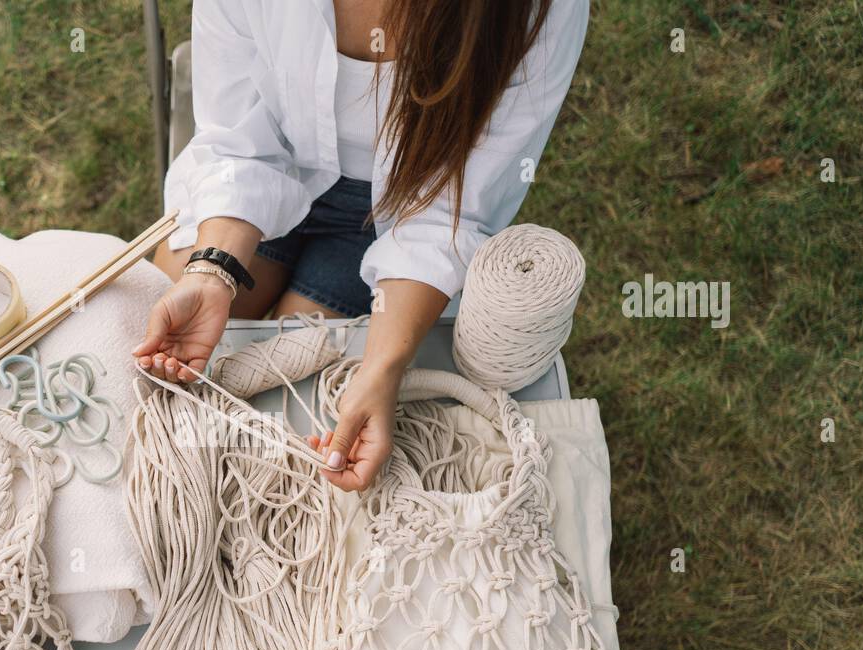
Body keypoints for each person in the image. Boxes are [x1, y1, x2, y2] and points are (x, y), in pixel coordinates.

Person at [133, 0, 589, 491]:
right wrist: (214, 270)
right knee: (160, 352)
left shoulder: (540, 9)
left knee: (298, 416)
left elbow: (454, 207)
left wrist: (383, 366)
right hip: (264, 178)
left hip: (404, 218)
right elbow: (239, 145)